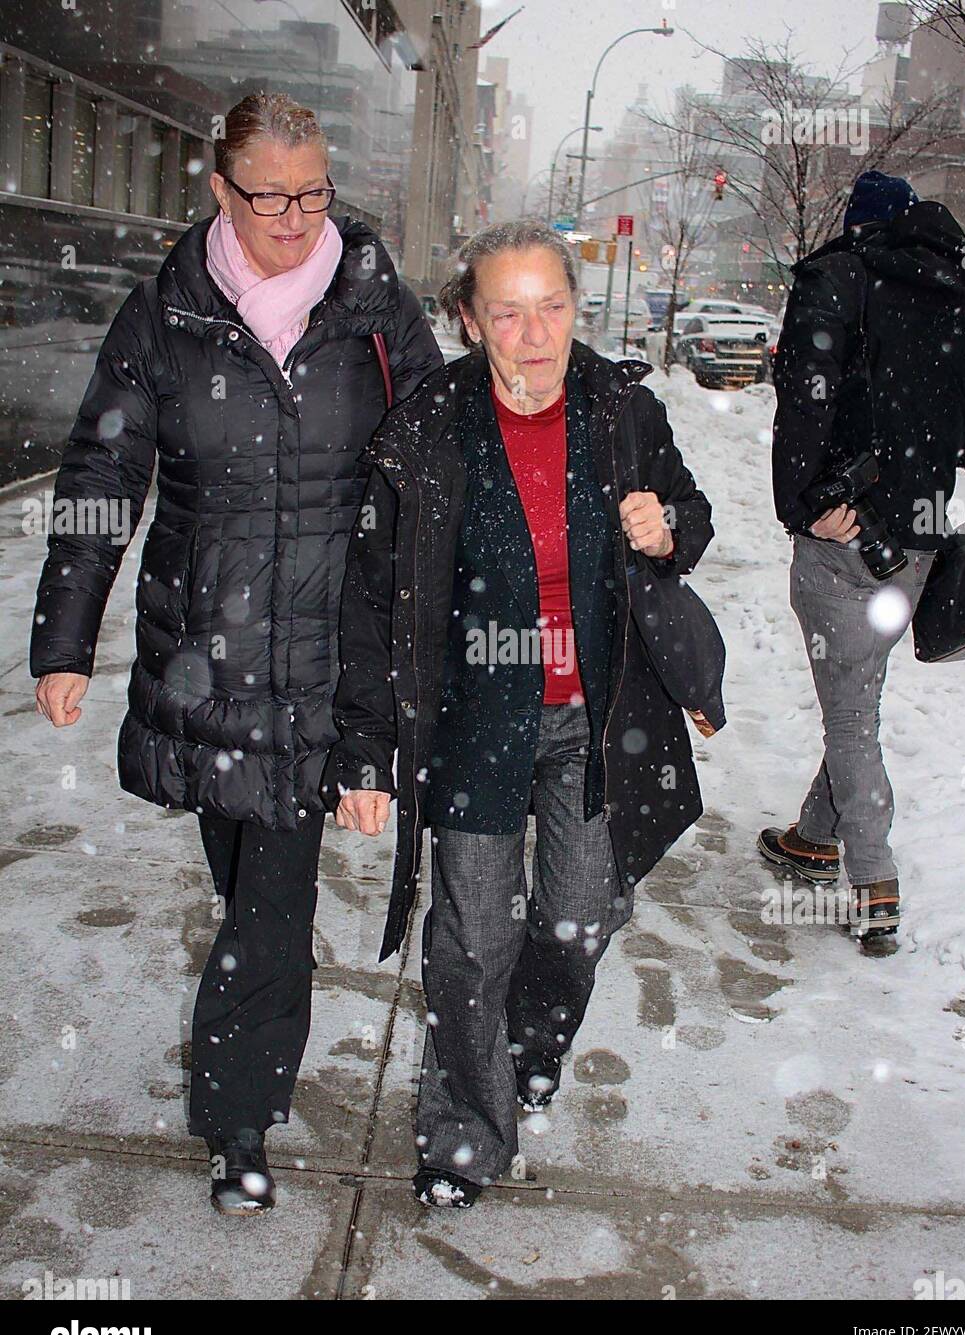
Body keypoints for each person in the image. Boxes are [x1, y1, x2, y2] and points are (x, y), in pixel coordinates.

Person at [30, 92, 442, 1213]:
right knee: (247, 884)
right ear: (220, 190)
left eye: (315, 191)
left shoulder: (374, 312)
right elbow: (101, 476)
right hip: (201, 661)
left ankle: (237, 1120)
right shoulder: (166, 314)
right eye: (272, 197)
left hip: (324, 663)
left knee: (271, 900)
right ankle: (248, 1057)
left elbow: (438, 470)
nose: (299, 216)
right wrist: (65, 636)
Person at [327, 219, 715, 1207]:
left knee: (579, 917)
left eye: (553, 306)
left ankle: (526, 1044)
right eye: (508, 310)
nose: (535, 332)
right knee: (468, 940)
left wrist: (667, 526)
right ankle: (462, 1133)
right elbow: (373, 601)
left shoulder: (619, 409)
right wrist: (366, 751)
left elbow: (690, 511)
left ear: (576, 310)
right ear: (467, 319)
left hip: (596, 708)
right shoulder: (426, 429)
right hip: (473, 719)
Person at [760, 169, 965, 942]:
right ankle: (813, 839)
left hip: (843, 530)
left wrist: (805, 506)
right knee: (858, 699)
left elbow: (804, 395)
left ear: (862, 225)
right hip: (917, 533)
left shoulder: (841, 280)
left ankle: (875, 883)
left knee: (851, 717)